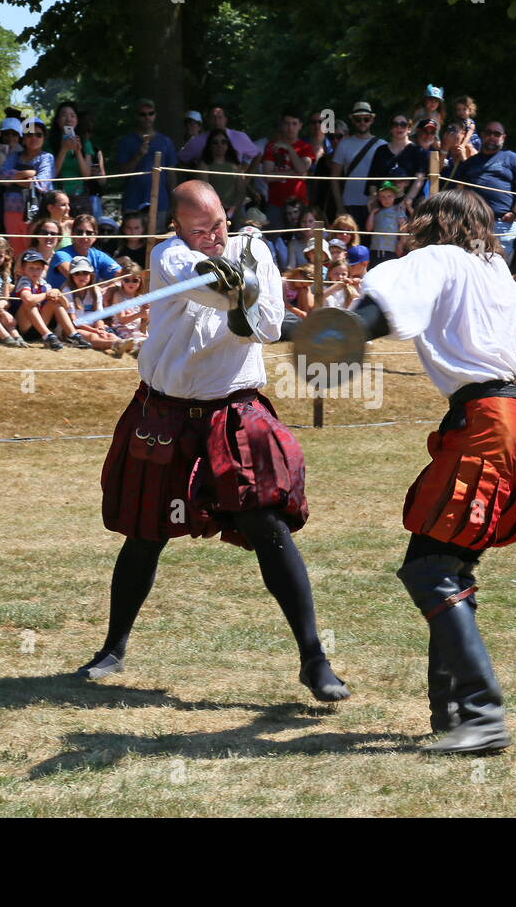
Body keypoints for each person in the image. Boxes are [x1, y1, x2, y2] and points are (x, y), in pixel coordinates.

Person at [81, 179, 349, 705]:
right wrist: (235, 286)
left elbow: (268, 324)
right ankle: (113, 648)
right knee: (145, 530)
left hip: (233, 407)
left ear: (228, 215)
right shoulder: (168, 256)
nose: (212, 238)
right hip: (167, 410)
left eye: (219, 226)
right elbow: (204, 284)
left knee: (267, 527)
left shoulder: (254, 247)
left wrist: (244, 285)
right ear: (178, 227)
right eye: (199, 230)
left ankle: (314, 659)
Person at [342, 188, 516, 754]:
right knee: (444, 564)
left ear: (435, 224)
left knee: (431, 569)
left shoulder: (442, 258)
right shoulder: (497, 274)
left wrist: (345, 331)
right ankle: (452, 712)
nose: (410, 227)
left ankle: (481, 714)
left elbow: (386, 304)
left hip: (489, 422)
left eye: (416, 220)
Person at [451, 122, 516, 255]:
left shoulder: (512, 158)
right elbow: (459, 190)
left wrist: (515, 212)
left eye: (497, 134)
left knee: (500, 265)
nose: (492, 136)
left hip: (502, 223)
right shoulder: (470, 162)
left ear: (503, 137)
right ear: (482, 135)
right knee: (477, 264)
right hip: (474, 224)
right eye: (488, 133)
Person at [114, 99, 178, 233]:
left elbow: (171, 176)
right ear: (136, 116)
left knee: (158, 241)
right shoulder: (126, 141)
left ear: (155, 115)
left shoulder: (165, 141)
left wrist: (174, 204)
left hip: (160, 203)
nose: (147, 117)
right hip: (133, 201)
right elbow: (122, 173)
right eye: (143, 114)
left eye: (150, 113)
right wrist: (138, 155)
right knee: (133, 242)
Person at [0, 118, 55, 258]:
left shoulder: (47, 157)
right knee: (15, 254)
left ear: (44, 138)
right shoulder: (14, 156)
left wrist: (14, 178)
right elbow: (1, 177)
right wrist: (28, 174)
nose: (34, 138)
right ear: (23, 138)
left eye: (39, 134)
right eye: (29, 134)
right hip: (10, 211)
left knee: (35, 254)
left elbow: (42, 183)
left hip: (35, 213)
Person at [13, 247, 88, 349]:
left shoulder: (43, 283)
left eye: (38, 268)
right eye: (31, 268)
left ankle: (73, 335)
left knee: (55, 303)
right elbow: (28, 299)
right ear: (23, 269)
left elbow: (66, 305)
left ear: (43, 269)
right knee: (30, 304)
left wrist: (58, 293)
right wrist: (47, 295)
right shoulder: (24, 280)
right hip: (24, 326)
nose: (35, 272)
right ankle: (47, 336)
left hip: (39, 324)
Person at [260, 110, 316, 227]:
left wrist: (289, 149)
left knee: (302, 238)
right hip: (276, 203)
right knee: (273, 240)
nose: (290, 127)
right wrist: (295, 173)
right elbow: (267, 177)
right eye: (287, 123)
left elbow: (301, 169)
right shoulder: (271, 147)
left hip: (299, 205)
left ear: (300, 126)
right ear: (281, 125)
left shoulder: (306, 147)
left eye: (294, 124)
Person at [331, 102, 383, 225]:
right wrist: (339, 206)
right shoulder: (344, 145)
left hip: (376, 204)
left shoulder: (382, 145)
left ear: (371, 120)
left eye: (366, 119)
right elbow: (333, 178)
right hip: (349, 203)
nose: (362, 122)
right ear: (353, 121)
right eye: (358, 119)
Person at [198, 128, 247, 220]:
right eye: (215, 142)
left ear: (228, 145)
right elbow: (205, 192)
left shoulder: (235, 166)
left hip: (236, 210)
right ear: (210, 145)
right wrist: (221, 207)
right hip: (212, 211)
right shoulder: (204, 165)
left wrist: (232, 209)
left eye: (223, 142)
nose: (219, 145)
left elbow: (241, 191)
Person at [366, 181, 408, 265]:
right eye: (383, 197)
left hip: (391, 250)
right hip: (375, 249)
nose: (387, 200)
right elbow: (369, 229)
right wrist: (371, 214)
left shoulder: (398, 210)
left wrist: (401, 244)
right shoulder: (377, 212)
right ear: (379, 198)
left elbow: (404, 228)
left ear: (394, 197)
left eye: (389, 196)